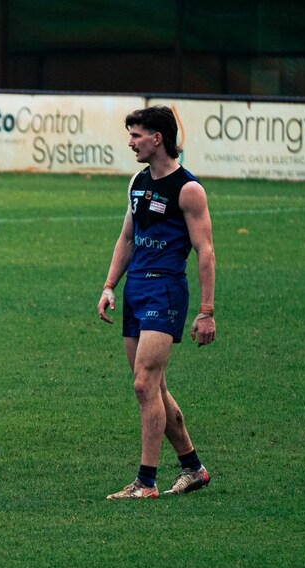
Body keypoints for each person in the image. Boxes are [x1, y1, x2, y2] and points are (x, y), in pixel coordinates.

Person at [97, 105, 216, 500]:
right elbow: (127, 237)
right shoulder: (137, 181)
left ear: (158, 138)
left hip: (165, 290)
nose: (130, 142)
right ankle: (193, 467)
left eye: (136, 135)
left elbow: (205, 252)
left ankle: (145, 483)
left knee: (144, 384)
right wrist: (110, 285)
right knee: (154, 388)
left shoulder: (188, 189)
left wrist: (206, 311)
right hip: (136, 292)